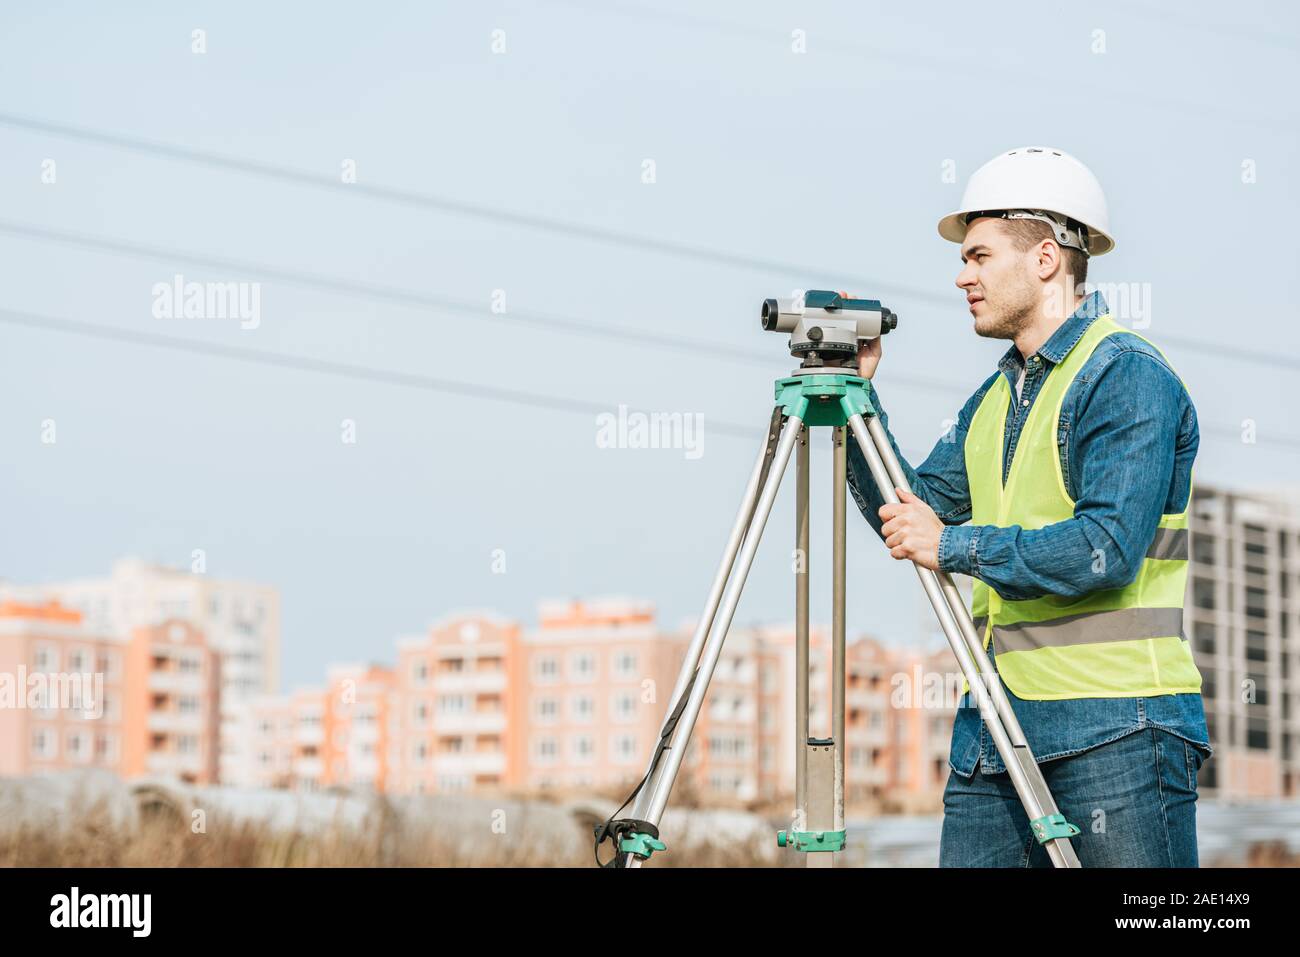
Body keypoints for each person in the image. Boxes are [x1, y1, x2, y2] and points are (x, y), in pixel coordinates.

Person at [845, 146, 1212, 867]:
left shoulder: (1126, 375)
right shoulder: (994, 399)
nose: (962, 275)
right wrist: (854, 402)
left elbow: (1104, 548)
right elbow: (910, 513)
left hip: (1119, 730)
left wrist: (952, 545)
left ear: (1045, 259)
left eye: (979, 256)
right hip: (997, 730)